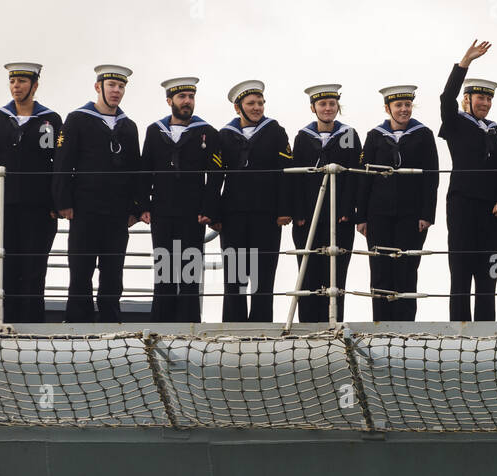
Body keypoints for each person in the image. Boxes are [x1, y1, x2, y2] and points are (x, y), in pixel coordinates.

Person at [53, 64, 141, 323]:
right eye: (112, 85)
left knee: (113, 272)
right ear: (98, 87)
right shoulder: (77, 119)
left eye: (121, 86)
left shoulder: (129, 126)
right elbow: (62, 162)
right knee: (81, 269)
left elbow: (135, 169)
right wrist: (63, 201)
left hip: (116, 212)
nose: (116, 91)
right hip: (84, 208)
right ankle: (77, 323)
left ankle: (111, 322)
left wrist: (135, 209)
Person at [137, 76, 221, 322]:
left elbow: (215, 176)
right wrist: (142, 205)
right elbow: (145, 170)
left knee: (189, 272)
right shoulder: (155, 131)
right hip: (162, 211)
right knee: (163, 271)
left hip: (192, 212)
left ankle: (189, 325)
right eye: (182, 97)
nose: (187, 102)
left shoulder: (207, 132)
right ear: (169, 101)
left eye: (191, 97)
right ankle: (160, 325)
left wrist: (209, 208)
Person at [355, 85, 438, 321]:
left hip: (411, 214)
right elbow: (365, 177)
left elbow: (431, 177)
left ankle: (404, 327)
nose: (404, 109)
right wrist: (361, 217)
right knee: (380, 270)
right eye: (399, 105)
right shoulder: (375, 135)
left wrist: (427, 214)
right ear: (387, 108)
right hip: (378, 213)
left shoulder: (423, 134)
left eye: (407, 105)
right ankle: (380, 323)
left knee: (406, 270)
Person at [439, 41, 497, 322]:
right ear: (467, 99)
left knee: (488, 274)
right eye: (480, 98)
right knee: (461, 271)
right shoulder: (457, 124)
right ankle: (459, 326)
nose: (485, 103)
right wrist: (464, 63)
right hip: (463, 205)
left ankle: (485, 328)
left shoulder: (494, 132)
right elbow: (446, 98)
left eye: (489, 99)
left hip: (492, 211)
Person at [218, 80, 291, 322]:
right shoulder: (225, 135)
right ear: (238, 107)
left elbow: (284, 173)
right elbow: (216, 177)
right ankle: (233, 323)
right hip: (234, 214)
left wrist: (284, 209)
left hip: (266, 213)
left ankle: (261, 323)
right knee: (235, 273)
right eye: (251, 103)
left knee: (264, 273)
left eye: (260, 103)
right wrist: (214, 213)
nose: (257, 107)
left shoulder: (275, 131)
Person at [290, 83, 360, 323]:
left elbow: (353, 174)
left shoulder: (348, 135)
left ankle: (334, 324)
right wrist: (297, 211)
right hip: (308, 217)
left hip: (338, 216)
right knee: (308, 274)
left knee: (336, 275)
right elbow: (295, 177)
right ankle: (308, 327)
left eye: (332, 104)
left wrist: (347, 209)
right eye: (322, 104)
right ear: (313, 108)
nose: (328, 108)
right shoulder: (302, 137)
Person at [0, 62, 60, 323]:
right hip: (5, 206)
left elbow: (57, 161)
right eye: (13, 82)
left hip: (38, 208)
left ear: (34, 85)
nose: (16, 87)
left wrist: (56, 202)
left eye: (22, 82)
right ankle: (6, 323)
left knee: (35, 269)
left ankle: (31, 325)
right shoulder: (0, 118)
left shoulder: (50, 120)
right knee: (7, 268)